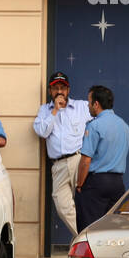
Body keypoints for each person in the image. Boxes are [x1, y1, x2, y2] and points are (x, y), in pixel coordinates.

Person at [33, 71, 89, 236]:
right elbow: (41, 132)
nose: (59, 91)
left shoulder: (81, 106)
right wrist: (55, 111)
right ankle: (84, 238)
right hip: (58, 165)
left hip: (79, 160)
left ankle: (85, 242)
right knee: (63, 206)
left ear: (68, 90)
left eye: (62, 88)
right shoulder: (45, 110)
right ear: (50, 92)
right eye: (55, 88)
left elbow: (99, 121)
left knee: (84, 204)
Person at [74, 85, 129, 230]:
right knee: (112, 230)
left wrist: (79, 184)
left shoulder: (94, 126)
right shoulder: (124, 125)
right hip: (118, 184)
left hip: (96, 184)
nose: (88, 105)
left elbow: (86, 161)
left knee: (89, 230)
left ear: (96, 104)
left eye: (89, 102)